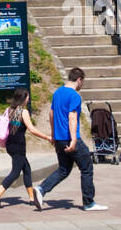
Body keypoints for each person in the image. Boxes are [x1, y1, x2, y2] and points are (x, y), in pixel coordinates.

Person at [35, 68, 106, 211]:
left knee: (64, 169)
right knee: (86, 168)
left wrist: (54, 134)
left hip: (59, 138)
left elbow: (51, 114)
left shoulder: (58, 92)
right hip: (70, 138)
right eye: (82, 82)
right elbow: (72, 117)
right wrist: (74, 140)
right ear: (79, 80)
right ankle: (89, 202)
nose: (82, 85)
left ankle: (41, 189)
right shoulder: (75, 96)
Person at [0, 89, 53, 208]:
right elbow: (32, 130)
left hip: (10, 145)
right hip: (18, 146)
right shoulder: (23, 112)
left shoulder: (9, 109)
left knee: (27, 170)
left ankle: (32, 198)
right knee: (15, 172)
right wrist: (47, 137)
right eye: (28, 97)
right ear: (24, 99)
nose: (29, 99)